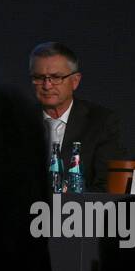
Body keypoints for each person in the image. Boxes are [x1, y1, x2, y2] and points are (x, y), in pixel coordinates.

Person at [29, 41, 125, 192]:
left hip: (81, 212)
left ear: (75, 81)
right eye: (39, 78)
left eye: (56, 77)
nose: (47, 86)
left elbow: (106, 185)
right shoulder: (16, 122)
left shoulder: (101, 122)